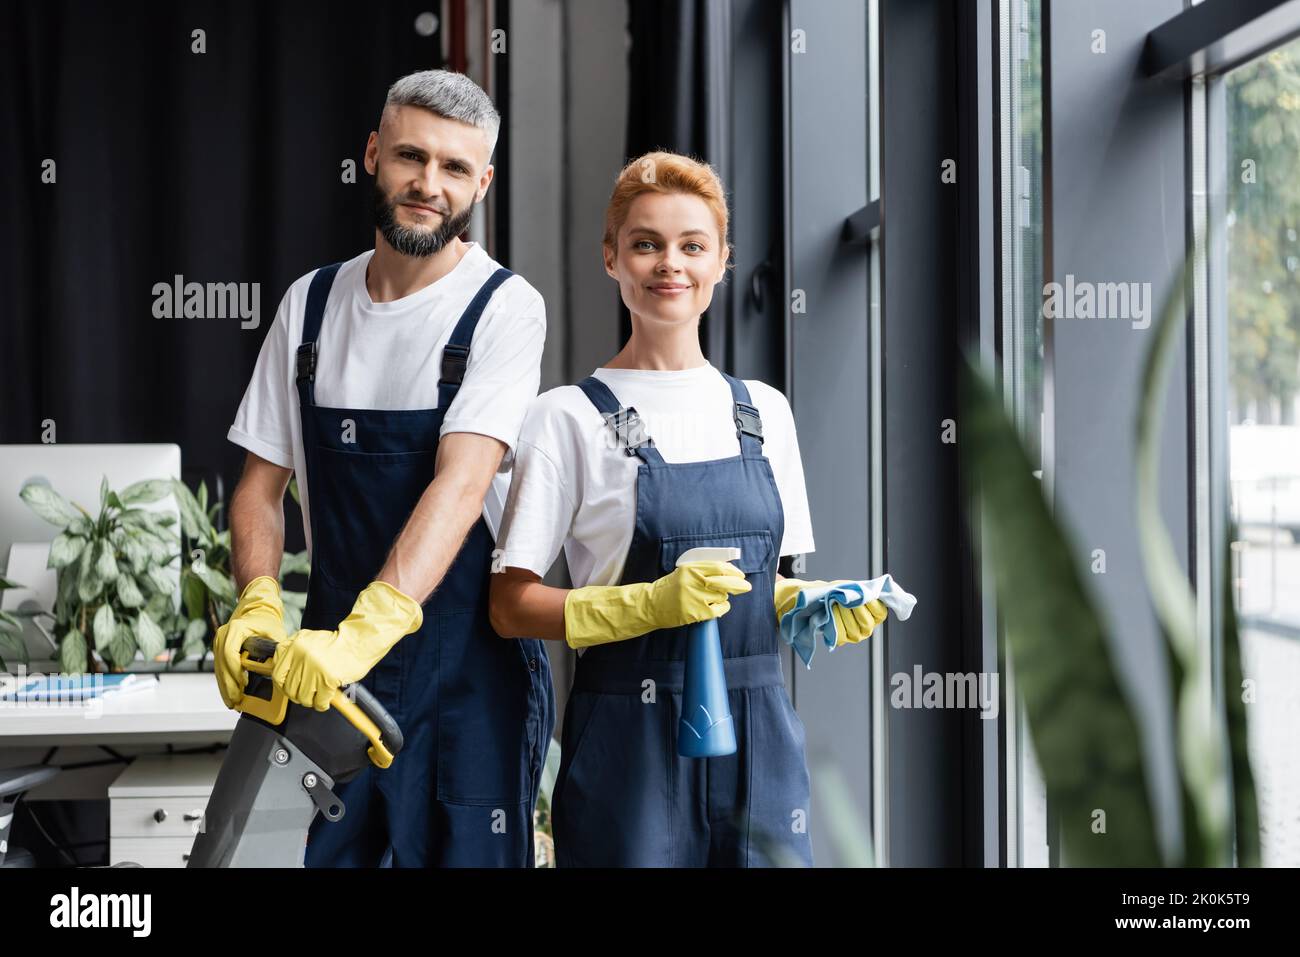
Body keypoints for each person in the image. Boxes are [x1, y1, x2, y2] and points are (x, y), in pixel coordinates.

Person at [487, 151, 887, 867]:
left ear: (722, 261)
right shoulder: (567, 417)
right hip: (627, 751)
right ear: (611, 258)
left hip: (760, 743)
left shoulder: (763, 412)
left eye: (692, 245)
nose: (670, 264)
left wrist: (815, 601)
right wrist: (643, 606)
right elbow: (510, 605)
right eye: (646, 244)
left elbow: (764, 588)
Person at [216, 70, 555, 867]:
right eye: (410, 156)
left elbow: (462, 483)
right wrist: (261, 602)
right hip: (325, 675)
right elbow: (260, 488)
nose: (428, 185)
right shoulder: (309, 304)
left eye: (454, 168)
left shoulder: (505, 307)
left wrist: (371, 630)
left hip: (468, 676)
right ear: (373, 153)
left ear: (483, 183)